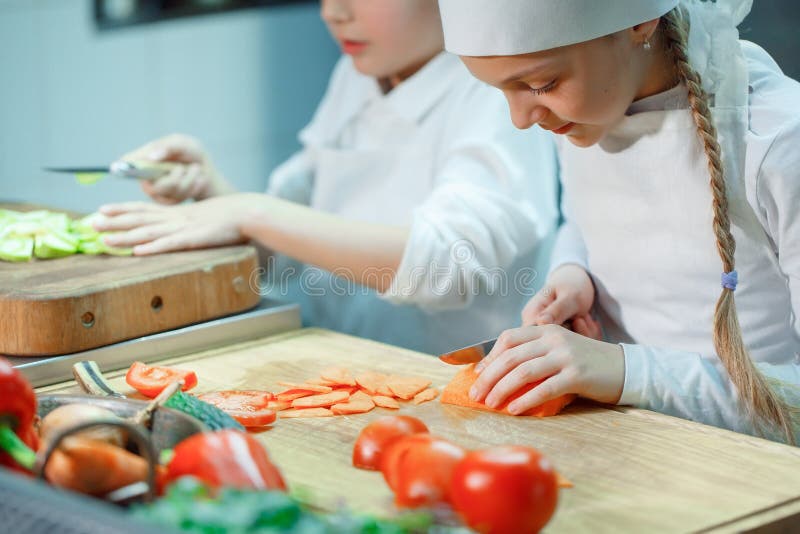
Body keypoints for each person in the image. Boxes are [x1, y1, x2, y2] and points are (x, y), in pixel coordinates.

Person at [93, 0, 561, 354]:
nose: (333, 12)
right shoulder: (356, 76)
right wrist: (214, 192)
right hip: (349, 368)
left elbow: (448, 266)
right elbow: (286, 248)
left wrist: (252, 213)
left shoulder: (497, 92)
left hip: (461, 387)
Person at [439, 0, 800, 443]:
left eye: (540, 83)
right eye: (500, 91)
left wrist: (625, 370)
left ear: (639, 21)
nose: (520, 120)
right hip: (628, 441)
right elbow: (582, 217)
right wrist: (574, 272)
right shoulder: (584, 111)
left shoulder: (780, 145)